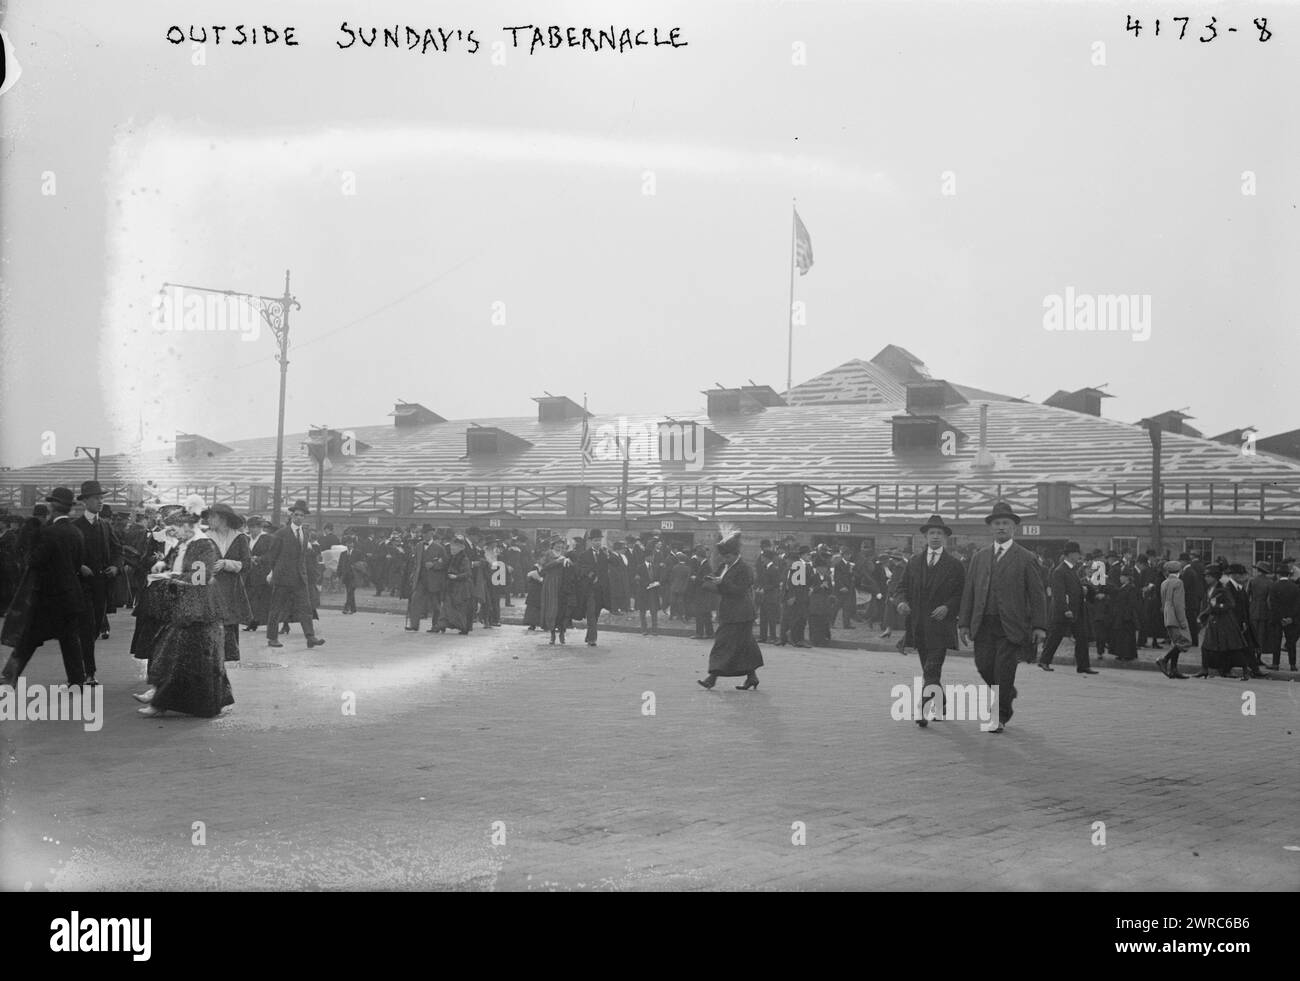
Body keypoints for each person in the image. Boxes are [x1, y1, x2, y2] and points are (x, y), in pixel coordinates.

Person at [957, 501, 1048, 734]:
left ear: (1013, 528)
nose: (1001, 527)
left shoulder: (1026, 558)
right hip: (984, 623)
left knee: (1004, 671)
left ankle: (1000, 716)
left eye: (1005, 523)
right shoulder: (980, 557)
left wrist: (1039, 626)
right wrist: (964, 623)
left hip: (1011, 626)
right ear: (991, 528)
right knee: (983, 666)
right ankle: (1006, 692)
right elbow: (970, 591)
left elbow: (1037, 594)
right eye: (997, 523)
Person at [134, 509, 234, 718]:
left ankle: (160, 701)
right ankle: (161, 696)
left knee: (183, 655)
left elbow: (199, 577)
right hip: (186, 605)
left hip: (199, 607)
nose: (173, 534)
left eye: (175, 529)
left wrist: (170, 577)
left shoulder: (203, 544)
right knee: (191, 655)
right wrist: (164, 565)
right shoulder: (185, 543)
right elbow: (176, 563)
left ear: (188, 526)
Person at [0, 488, 88, 687]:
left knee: (27, 640)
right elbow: (77, 563)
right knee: (70, 642)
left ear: (53, 508)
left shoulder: (48, 533)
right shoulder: (76, 532)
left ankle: (9, 677)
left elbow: (34, 561)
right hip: (71, 597)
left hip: (47, 600)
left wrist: (30, 539)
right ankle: (77, 681)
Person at [895, 516, 965, 725]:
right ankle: (941, 705)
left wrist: (948, 607)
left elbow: (962, 593)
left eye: (939, 534)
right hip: (919, 626)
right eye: (932, 533)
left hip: (941, 627)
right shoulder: (914, 562)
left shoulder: (954, 565)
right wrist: (901, 602)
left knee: (931, 669)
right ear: (925, 536)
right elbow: (901, 588)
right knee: (929, 669)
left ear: (945, 538)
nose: (935, 537)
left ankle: (924, 710)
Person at [696, 529, 763, 691]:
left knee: (722, 643)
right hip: (730, 612)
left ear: (735, 554)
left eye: (727, 557)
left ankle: (712, 677)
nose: (725, 560)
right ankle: (752, 677)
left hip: (742, 613)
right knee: (744, 646)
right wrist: (710, 582)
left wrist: (721, 583)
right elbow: (714, 583)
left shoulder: (745, 569)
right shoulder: (724, 566)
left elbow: (740, 590)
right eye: (723, 557)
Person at [71, 480, 121, 685]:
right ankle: (89, 672)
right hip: (81, 586)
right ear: (85, 502)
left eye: (101, 498)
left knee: (93, 628)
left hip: (101, 586)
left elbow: (118, 549)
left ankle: (83, 667)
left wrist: (116, 566)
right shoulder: (75, 527)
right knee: (86, 626)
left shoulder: (105, 526)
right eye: (96, 499)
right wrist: (79, 566)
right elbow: (66, 554)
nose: (100, 502)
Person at [264, 500, 325, 650]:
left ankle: (310, 637)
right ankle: (272, 638)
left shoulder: (305, 533)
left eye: (302, 515)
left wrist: (306, 575)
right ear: (291, 516)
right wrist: (275, 572)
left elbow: (303, 557)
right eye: (296, 514)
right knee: (276, 609)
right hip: (283, 578)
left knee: (306, 608)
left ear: (304, 518)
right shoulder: (281, 533)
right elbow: (272, 556)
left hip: (299, 578)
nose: (298, 517)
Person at [202, 503, 252, 663]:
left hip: (232, 590)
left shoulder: (239, 537)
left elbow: (247, 564)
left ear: (223, 518)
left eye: (212, 516)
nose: (209, 519)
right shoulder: (204, 537)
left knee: (229, 625)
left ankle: (223, 664)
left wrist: (226, 563)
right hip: (210, 589)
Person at [1038, 542, 1097, 673]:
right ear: (1070, 555)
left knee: (1082, 638)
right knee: (1055, 637)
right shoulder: (1059, 571)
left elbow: (1072, 588)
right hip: (1065, 611)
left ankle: (1083, 665)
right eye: (1077, 554)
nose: (1079, 556)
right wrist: (1066, 610)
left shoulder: (1072, 570)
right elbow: (1059, 593)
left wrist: (1082, 590)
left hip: (1076, 610)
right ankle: (1044, 661)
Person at [1197, 563, 1251, 680]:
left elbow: (1231, 604)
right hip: (1214, 622)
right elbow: (1210, 606)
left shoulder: (1223, 589)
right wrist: (1203, 615)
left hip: (1225, 622)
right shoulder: (1210, 589)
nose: (1206, 578)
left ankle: (1245, 670)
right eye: (1206, 576)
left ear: (1215, 577)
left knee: (1233, 648)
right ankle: (1204, 669)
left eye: (1208, 576)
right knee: (1206, 646)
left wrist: (1217, 606)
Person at [571, 529, 612, 647]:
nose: (597, 543)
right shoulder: (584, 555)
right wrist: (590, 575)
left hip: (601, 590)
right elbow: (579, 569)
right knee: (591, 613)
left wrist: (609, 554)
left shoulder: (604, 555)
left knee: (596, 614)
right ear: (590, 542)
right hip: (588, 589)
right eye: (595, 541)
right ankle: (592, 639)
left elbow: (616, 564)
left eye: (599, 540)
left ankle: (590, 636)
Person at [405, 526, 446, 632]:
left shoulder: (439, 548)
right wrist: (413, 575)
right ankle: (414, 625)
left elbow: (445, 563)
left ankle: (437, 625)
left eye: (426, 533)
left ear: (431, 533)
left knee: (436, 605)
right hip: (420, 579)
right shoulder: (418, 546)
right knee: (415, 600)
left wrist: (434, 565)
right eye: (423, 533)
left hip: (434, 580)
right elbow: (416, 562)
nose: (424, 535)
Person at [1156, 561, 1191, 679]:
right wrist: (1182, 621)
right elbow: (1178, 604)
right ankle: (1164, 659)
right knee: (1185, 642)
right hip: (1176, 616)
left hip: (1167, 615)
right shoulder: (1178, 583)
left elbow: (1163, 601)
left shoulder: (1164, 583)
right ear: (1179, 571)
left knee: (1175, 642)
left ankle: (1174, 669)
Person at [538, 539, 575, 644]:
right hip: (551, 583)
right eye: (557, 545)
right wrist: (556, 562)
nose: (559, 547)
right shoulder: (547, 554)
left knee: (562, 608)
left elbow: (571, 567)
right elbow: (542, 568)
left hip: (563, 583)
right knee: (552, 607)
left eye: (561, 545)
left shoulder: (565, 554)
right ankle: (552, 634)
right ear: (553, 545)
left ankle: (562, 632)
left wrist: (569, 562)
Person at [1266, 561, 1300, 671]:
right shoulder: (1295, 587)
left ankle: (1275, 664)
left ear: (1278, 574)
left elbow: (1273, 604)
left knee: (1276, 641)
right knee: (1291, 642)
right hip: (1291, 620)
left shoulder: (1274, 586)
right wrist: (1291, 618)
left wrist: (1281, 618)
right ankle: (1293, 665)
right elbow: (1297, 605)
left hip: (1277, 619)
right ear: (1289, 574)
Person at [438, 535, 475, 635]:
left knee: (460, 608)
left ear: (460, 548)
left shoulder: (464, 559)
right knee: (447, 606)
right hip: (451, 586)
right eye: (451, 547)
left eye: (454, 547)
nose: (452, 549)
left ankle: (462, 627)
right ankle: (443, 625)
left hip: (461, 587)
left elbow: (468, 573)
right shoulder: (451, 558)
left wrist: (456, 576)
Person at [244, 516, 273, 631]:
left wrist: (259, 559)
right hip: (249, 573)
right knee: (250, 597)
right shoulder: (246, 539)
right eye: (251, 527)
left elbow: (271, 554)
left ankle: (258, 621)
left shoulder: (268, 538)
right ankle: (251, 620)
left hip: (262, 572)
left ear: (261, 527)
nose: (254, 529)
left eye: (257, 527)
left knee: (261, 598)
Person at [783, 544, 812, 648]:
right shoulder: (798, 565)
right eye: (808, 555)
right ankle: (794, 637)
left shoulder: (807, 566)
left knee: (802, 619)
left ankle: (799, 638)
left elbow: (807, 581)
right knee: (798, 618)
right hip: (798, 596)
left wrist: (810, 588)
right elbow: (792, 582)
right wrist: (792, 595)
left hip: (804, 596)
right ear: (803, 555)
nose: (810, 557)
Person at [337, 536, 360, 614]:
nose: (349, 545)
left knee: (350, 591)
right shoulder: (343, 554)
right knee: (349, 592)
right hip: (346, 577)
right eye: (348, 543)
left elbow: (362, 564)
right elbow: (340, 565)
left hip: (354, 576)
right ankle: (353, 609)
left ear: (353, 544)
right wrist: (339, 575)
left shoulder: (357, 553)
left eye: (351, 543)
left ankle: (346, 607)